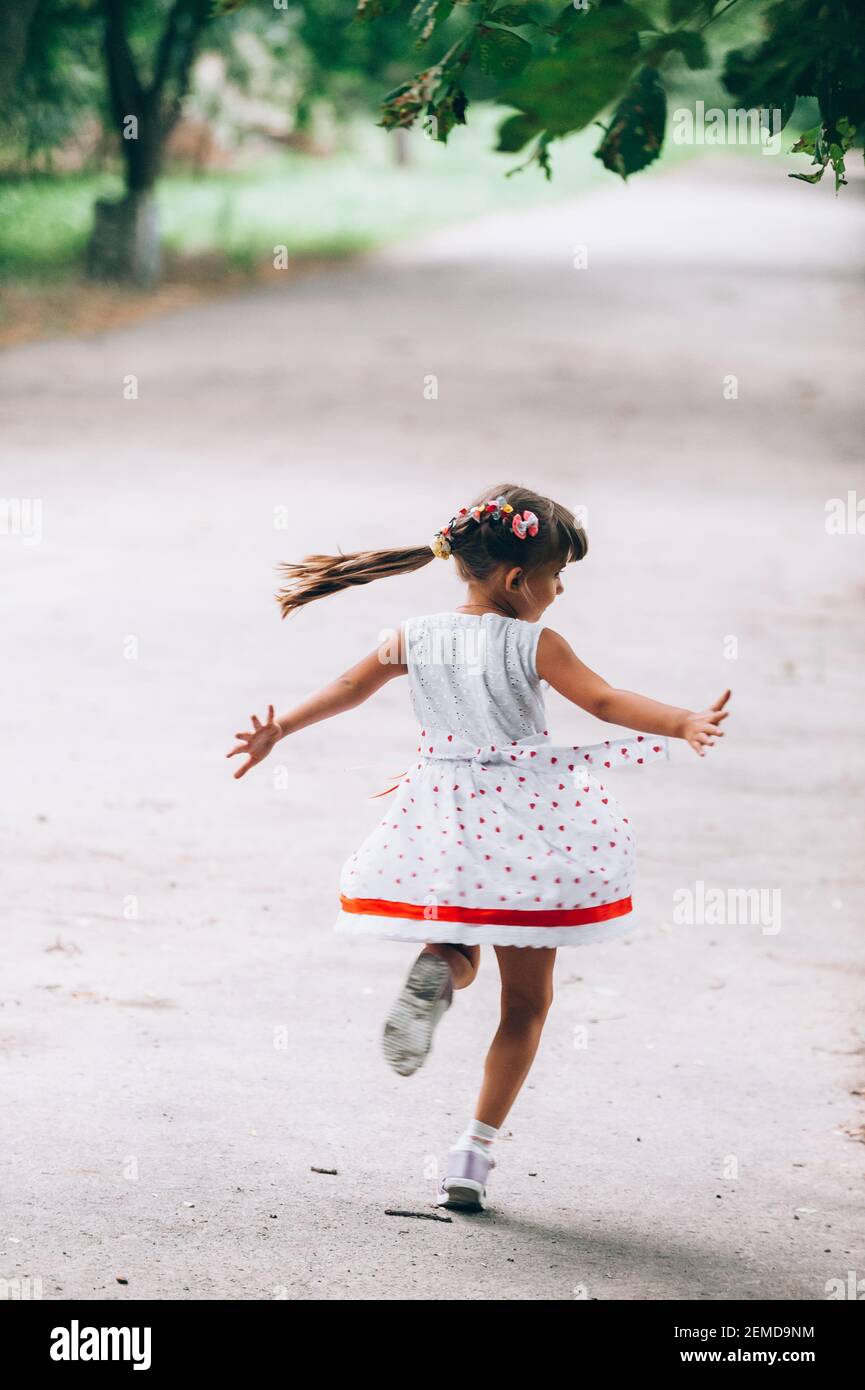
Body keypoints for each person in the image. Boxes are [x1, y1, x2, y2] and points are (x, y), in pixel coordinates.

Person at [227, 485, 730, 1211]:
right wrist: (681, 720)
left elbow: (346, 688)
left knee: (459, 947)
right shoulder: (534, 642)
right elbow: (604, 701)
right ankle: (471, 1154)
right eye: (556, 575)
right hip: (526, 821)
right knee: (525, 1004)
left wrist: (281, 730)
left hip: (442, 818)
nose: (558, 591)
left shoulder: (413, 633)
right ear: (515, 580)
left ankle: (441, 964)